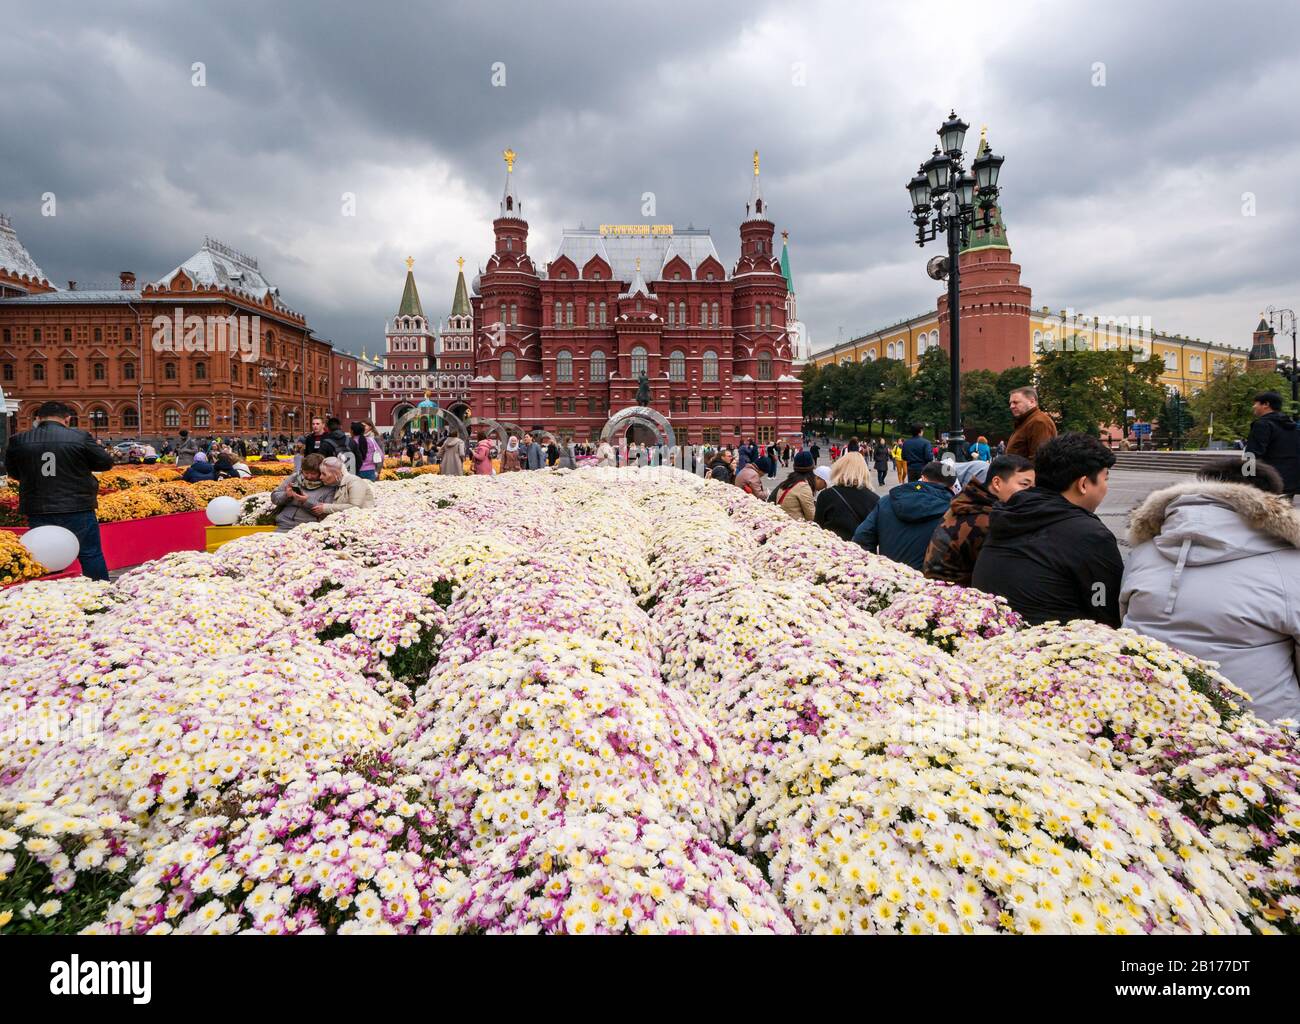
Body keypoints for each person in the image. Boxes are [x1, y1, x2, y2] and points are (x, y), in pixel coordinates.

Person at [1120, 459, 1300, 723]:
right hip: (1259, 733)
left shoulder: (1143, 553)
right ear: (1271, 501)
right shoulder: (1290, 565)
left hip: (1150, 715)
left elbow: (1124, 619)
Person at [972, 433, 1122, 627]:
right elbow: (1105, 607)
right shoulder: (1090, 535)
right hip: (1055, 647)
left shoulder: (1009, 512)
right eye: (1105, 479)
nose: (1105, 487)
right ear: (1083, 484)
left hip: (992, 637)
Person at [3, 400, 114, 580]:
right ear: (67, 419)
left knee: (44, 555)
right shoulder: (79, 437)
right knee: (90, 553)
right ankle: (102, 592)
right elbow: (106, 462)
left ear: (38, 418)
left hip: (38, 508)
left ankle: (51, 597)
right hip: (77, 506)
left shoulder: (18, 440)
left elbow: (14, 472)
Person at [923, 454, 1034, 586]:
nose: (1031, 492)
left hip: (937, 589)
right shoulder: (986, 519)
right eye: (1024, 485)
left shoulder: (969, 501)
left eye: (1033, 487)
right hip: (953, 597)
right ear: (997, 483)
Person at [853, 461, 953, 570]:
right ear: (952, 486)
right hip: (931, 583)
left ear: (923, 478)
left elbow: (861, 538)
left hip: (889, 578)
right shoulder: (953, 512)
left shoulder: (887, 501)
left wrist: (876, 570)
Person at [1244, 390, 1300, 497]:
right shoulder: (1293, 425)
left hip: (1270, 482)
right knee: (1284, 511)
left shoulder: (1262, 424)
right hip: (1291, 483)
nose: (1253, 406)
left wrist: (1247, 478)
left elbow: (1252, 454)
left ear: (1266, 405)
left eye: (1256, 403)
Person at [815, 452, 879, 542]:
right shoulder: (875, 499)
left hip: (833, 549)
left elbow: (818, 527)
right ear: (864, 472)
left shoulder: (826, 495)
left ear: (839, 469)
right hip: (862, 552)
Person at [270, 454, 337, 531]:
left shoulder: (329, 486)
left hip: (309, 528)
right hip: (284, 524)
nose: (309, 476)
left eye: (313, 474)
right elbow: (274, 497)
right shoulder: (294, 478)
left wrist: (306, 501)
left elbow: (325, 513)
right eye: (306, 473)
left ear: (321, 472)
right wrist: (286, 495)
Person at [311, 457, 376, 516]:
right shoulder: (338, 484)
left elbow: (355, 507)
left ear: (336, 473)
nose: (320, 477)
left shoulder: (354, 482)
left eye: (324, 474)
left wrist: (326, 508)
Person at [1006, 386, 1057, 459]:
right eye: (1010, 403)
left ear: (1032, 402)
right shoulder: (1025, 422)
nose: (1011, 406)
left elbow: (1040, 460)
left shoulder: (1039, 422)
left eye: (1015, 402)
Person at [774, 451, 823, 521]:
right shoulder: (803, 486)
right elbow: (811, 517)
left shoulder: (788, 481)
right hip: (794, 525)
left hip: (784, 521)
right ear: (812, 467)